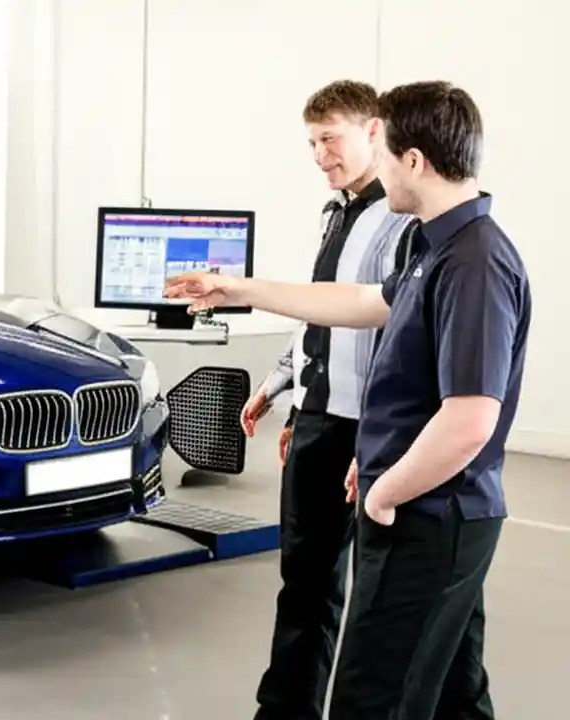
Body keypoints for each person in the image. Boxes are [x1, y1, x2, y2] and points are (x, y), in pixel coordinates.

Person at [167, 80, 530, 719]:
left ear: (411, 160)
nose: (375, 168)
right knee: (451, 688)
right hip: (418, 498)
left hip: (428, 511)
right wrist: (239, 289)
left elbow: (471, 419)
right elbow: (363, 303)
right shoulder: (433, 244)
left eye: (382, 152)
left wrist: (386, 490)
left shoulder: (474, 262)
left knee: (374, 696)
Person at [245, 80, 417, 720]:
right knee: (304, 580)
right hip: (319, 416)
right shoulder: (336, 212)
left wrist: (380, 438)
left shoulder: (401, 219)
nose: (320, 155)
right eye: (312, 143)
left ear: (374, 131)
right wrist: (282, 385)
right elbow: (319, 311)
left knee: (377, 593)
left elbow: (396, 334)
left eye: (331, 139)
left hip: (367, 428)